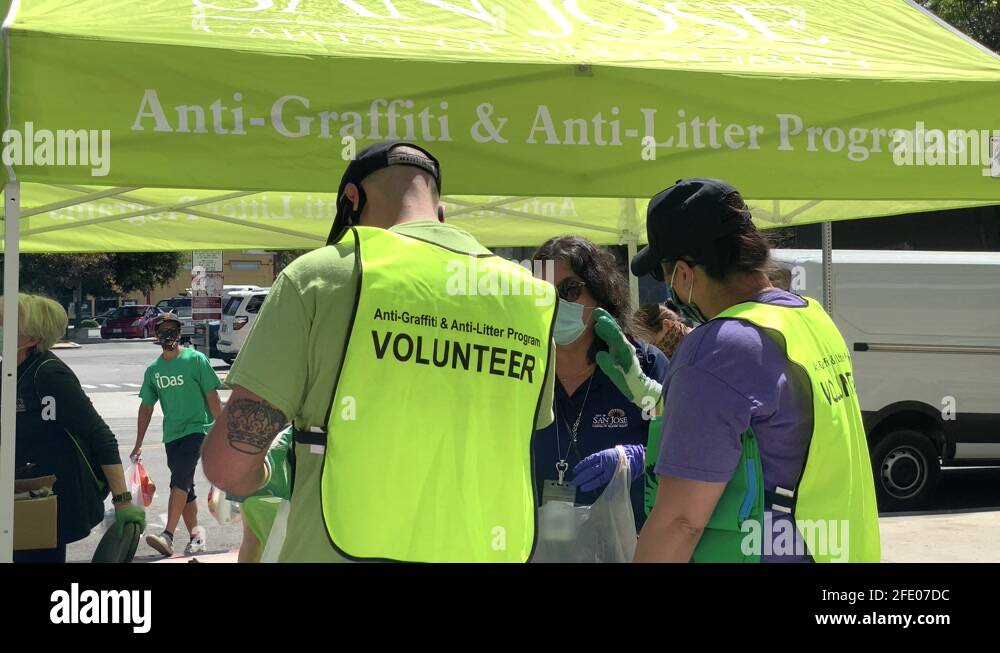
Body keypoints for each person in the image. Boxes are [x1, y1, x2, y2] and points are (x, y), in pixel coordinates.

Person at [201, 141, 557, 563]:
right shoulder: (528, 296)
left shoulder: (319, 277)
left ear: (352, 199)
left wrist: (264, 474)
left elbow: (229, 466)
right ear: (441, 212)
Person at [628, 178, 880, 563]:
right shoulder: (811, 318)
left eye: (664, 276)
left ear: (683, 273)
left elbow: (680, 522)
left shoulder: (717, 348)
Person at [530, 236, 668, 532]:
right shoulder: (524, 367)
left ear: (599, 294)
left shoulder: (643, 365)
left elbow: (689, 441)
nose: (556, 303)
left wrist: (639, 457)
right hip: (539, 547)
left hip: (632, 544)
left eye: (569, 290)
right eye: (543, 292)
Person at [8, 294, 144, 563]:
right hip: (19, 493)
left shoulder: (48, 374)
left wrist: (123, 500)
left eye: (6, 323)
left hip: (41, 501)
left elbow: (100, 435)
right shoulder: (12, 370)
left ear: (31, 339)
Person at [133, 312, 222, 557]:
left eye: (173, 329)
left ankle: (168, 535)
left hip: (197, 429)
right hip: (172, 434)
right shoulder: (154, 370)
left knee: (180, 479)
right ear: (156, 334)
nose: (168, 334)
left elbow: (212, 397)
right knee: (185, 487)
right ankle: (196, 536)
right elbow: (146, 407)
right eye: (163, 330)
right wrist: (138, 443)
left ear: (180, 334)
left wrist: (223, 433)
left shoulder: (196, 360)